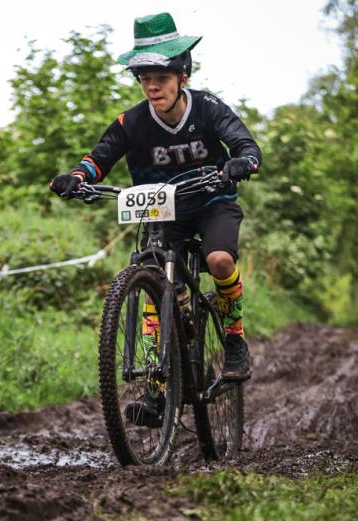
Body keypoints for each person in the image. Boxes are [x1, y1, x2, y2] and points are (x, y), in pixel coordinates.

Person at [50, 11, 262, 426]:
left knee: (220, 260)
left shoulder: (208, 108)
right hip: (163, 213)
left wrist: (244, 161)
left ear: (182, 76)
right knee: (154, 287)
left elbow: (244, 144)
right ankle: (158, 385)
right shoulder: (131, 121)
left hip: (212, 203)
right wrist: (78, 177)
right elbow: (99, 158)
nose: (152, 86)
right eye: (144, 78)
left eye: (161, 77)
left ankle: (234, 339)